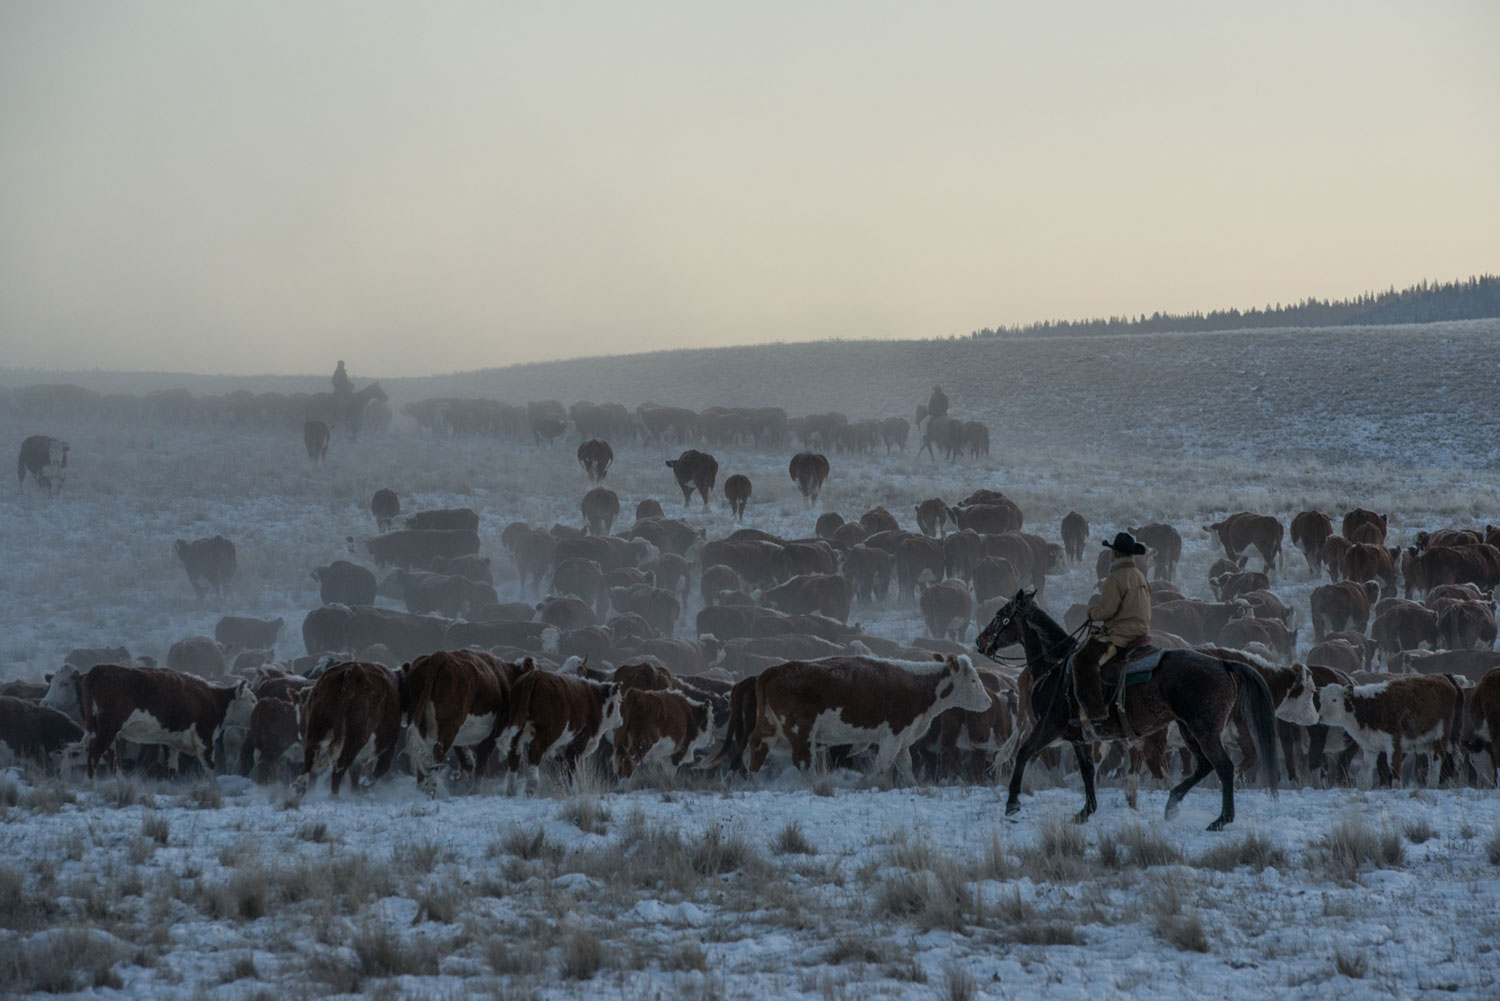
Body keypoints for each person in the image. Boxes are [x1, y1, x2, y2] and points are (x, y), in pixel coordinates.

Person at [1075, 531, 1151, 730]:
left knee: (1082, 661)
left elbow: (1106, 610)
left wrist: (1091, 613)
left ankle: (1096, 713)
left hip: (1120, 638)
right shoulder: (1139, 575)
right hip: (1140, 633)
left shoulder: (1115, 578)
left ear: (1114, 554)